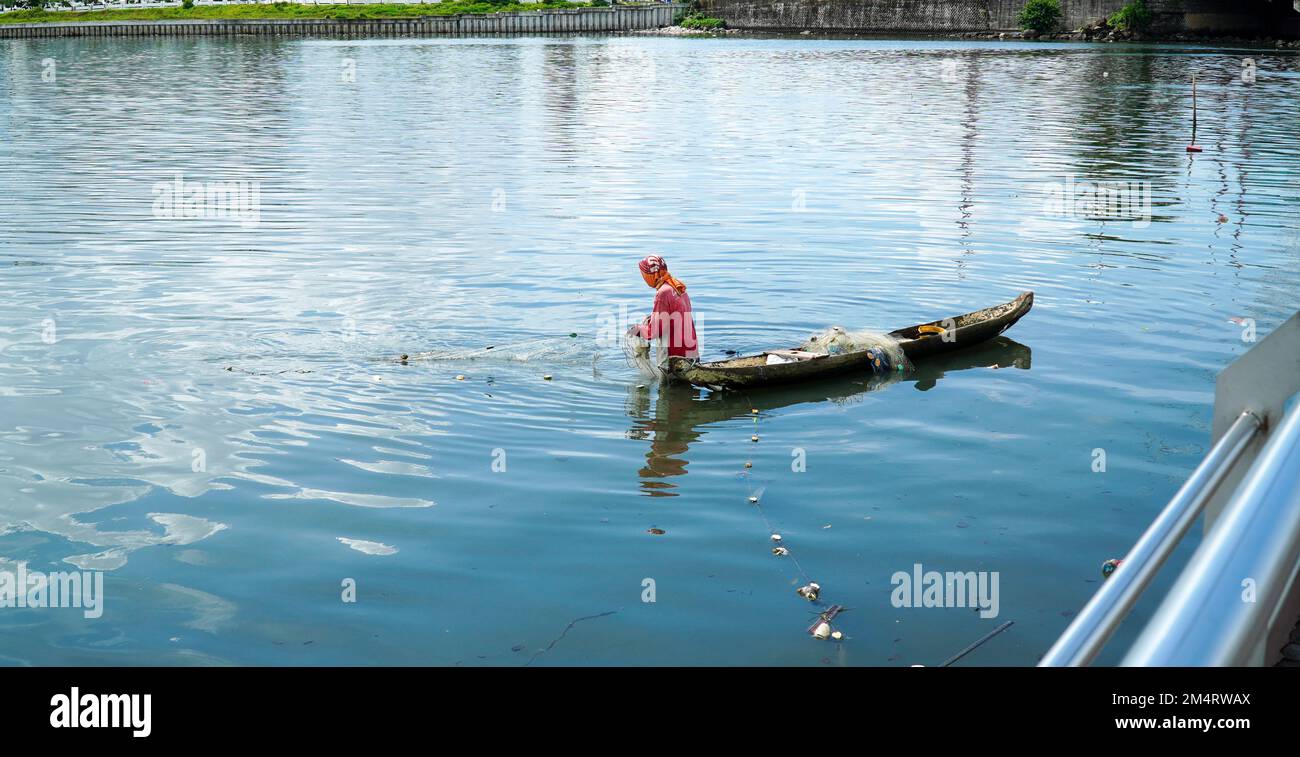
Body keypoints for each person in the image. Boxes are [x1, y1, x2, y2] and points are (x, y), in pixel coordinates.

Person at [634, 255, 699, 372]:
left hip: (675, 358)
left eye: (644, 274)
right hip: (692, 352)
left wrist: (637, 330)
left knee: (666, 387)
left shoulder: (662, 293)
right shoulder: (677, 286)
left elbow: (653, 332)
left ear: (652, 274)